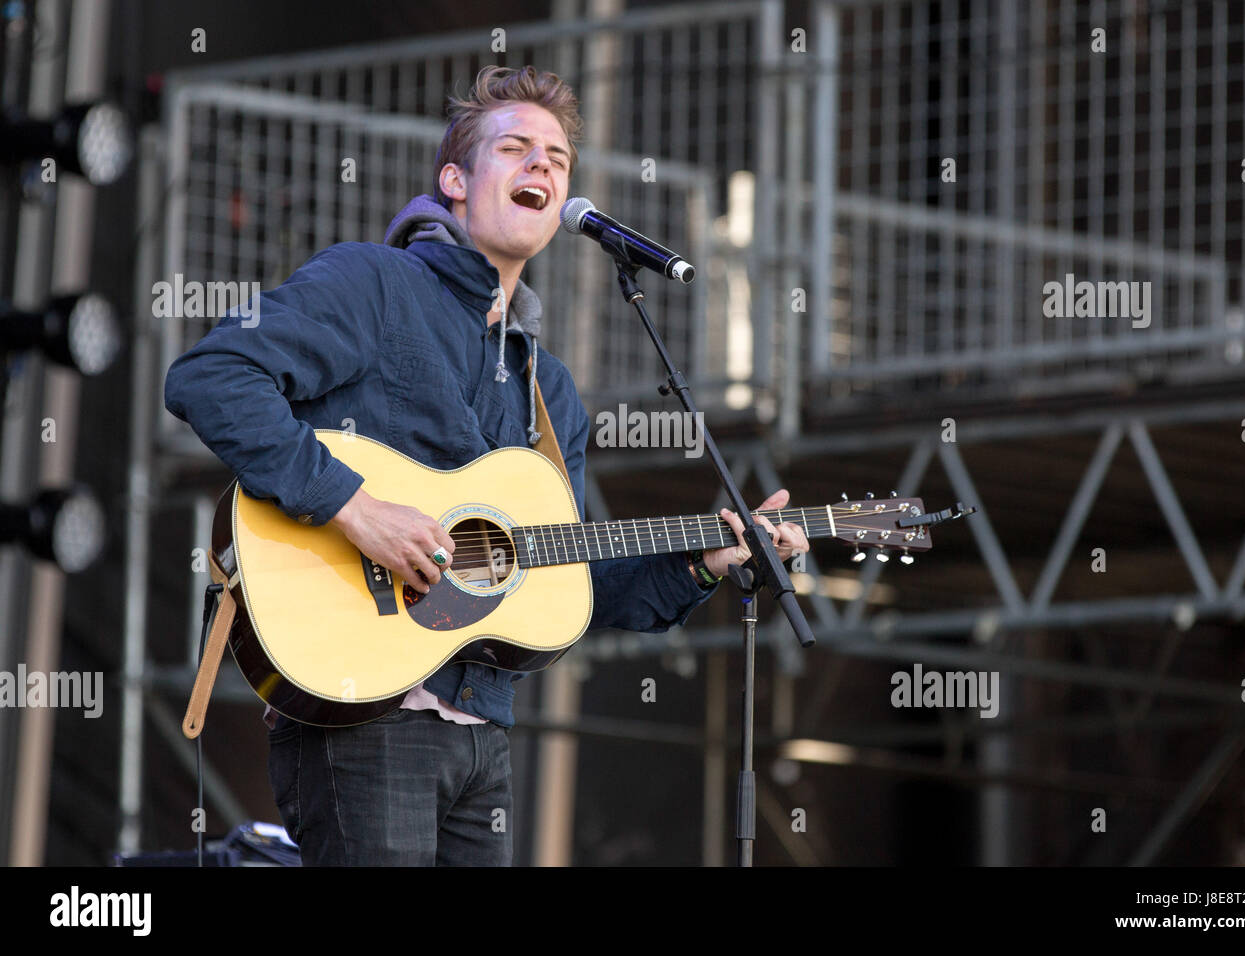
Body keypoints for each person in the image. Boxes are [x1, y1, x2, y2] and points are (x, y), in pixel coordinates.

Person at [163, 65, 808, 866]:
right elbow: (210, 378)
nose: (542, 165)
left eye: (558, 159)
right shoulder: (373, 284)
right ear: (456, 180)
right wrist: (355, 509)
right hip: (363, 712)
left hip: (482, 736)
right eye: (516, 148)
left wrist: (700, 565)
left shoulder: (553, 392)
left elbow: (561, 580)